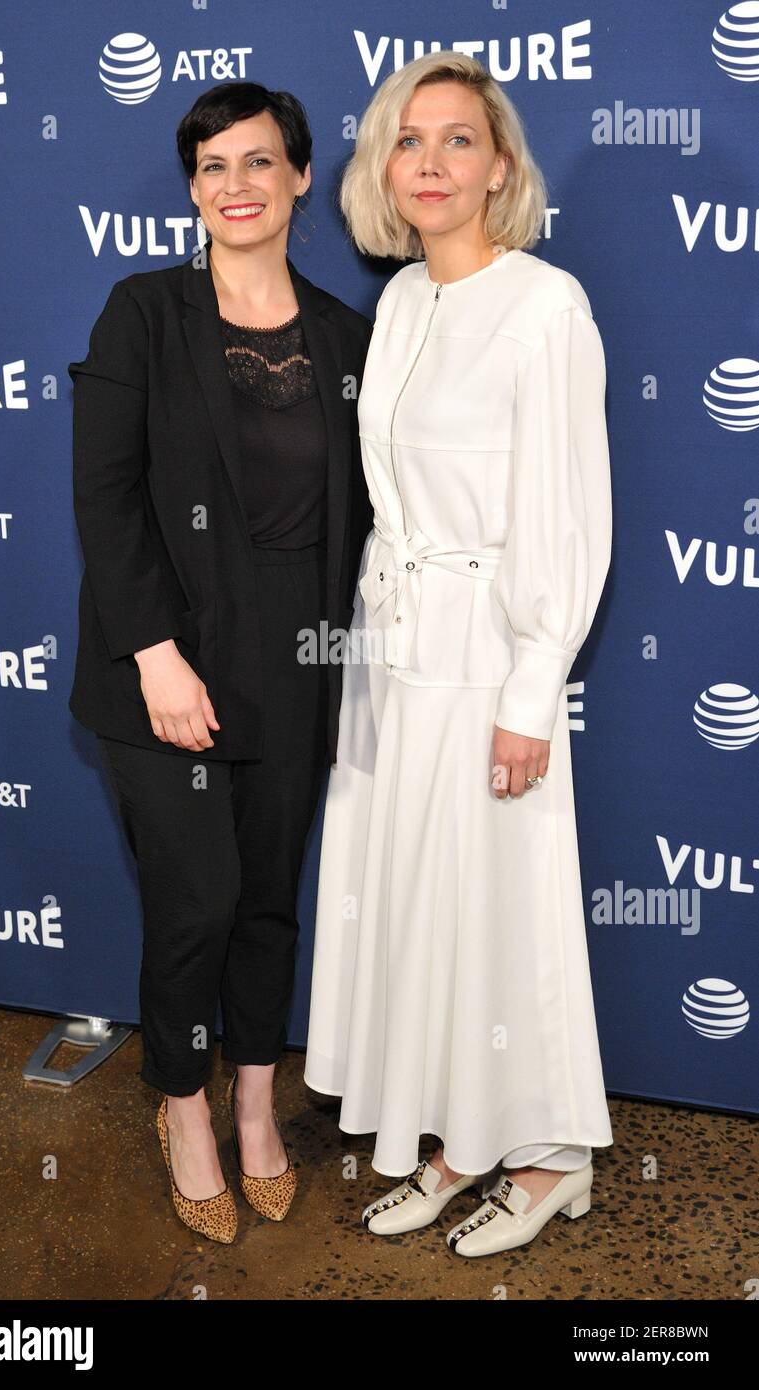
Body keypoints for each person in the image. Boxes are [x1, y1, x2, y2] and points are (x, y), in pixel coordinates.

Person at [303, 51, 614, 1257]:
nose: (429, 163)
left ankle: (549, 1160)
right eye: (406, 140)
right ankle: (451, 1141)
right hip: (392, 656)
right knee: (418, 907)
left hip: (490, 661)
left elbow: (571, 518)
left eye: (456, 141)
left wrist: (531, 688)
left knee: (502, 906)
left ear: (499, 168)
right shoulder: (400, 303)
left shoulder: (546, 308)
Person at [67, 82, 373, 1241]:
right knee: (194, 903)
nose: (234, 187)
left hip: (298, 661)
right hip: (171, 665)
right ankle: (182, 1108)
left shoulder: (349, 338)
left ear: (300, 177)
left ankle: (256, 1105)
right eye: (211, 167)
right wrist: (155, 653)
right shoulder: (142, 311)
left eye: (257, 163)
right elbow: (104, 495)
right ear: (191, 188)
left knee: (264, 906)